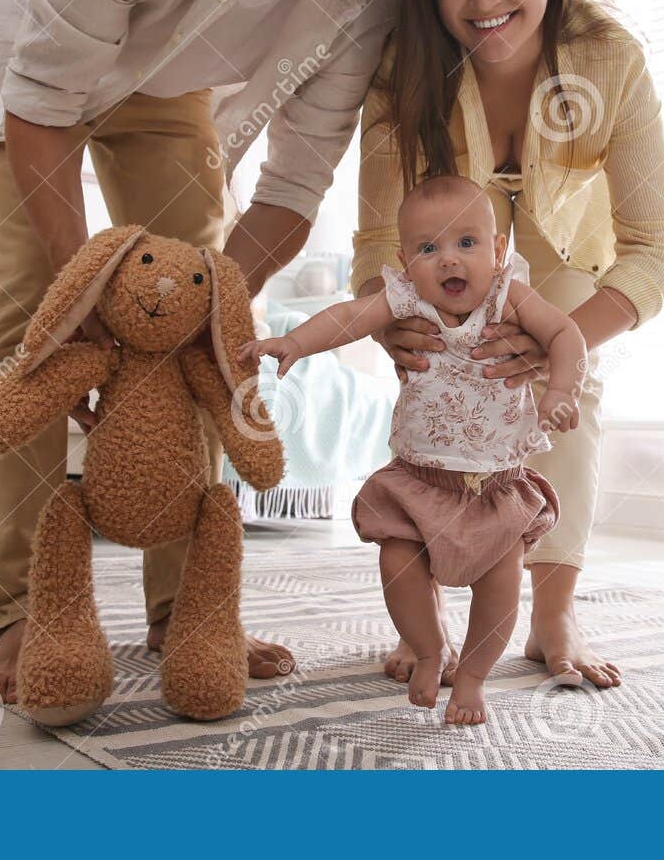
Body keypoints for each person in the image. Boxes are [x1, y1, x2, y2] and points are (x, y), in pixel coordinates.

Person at [0, 0, 456, 704]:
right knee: (30, 305)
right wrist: (90, 306)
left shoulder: (359, 4)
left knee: (197, 335)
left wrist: (208, 310)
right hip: (32, 68)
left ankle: (188, 613)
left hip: (170, 89)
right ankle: (24, 616)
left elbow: (294, 190)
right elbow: (47, 102)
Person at [350, 0, 664, 690]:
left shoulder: (611, 60)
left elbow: (655, 247)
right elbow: (377, 236)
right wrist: (395, 326)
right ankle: (422, 614)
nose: (483, 1)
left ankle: (551, 611)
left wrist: (558, 348)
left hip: (566, 240)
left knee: (566, 375)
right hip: (450, 238)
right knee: (442, 376)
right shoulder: (404, 70)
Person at [243, 174, 586, 723]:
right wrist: (295, 343)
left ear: (498, 251)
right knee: (397, 565)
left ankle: (472, 679)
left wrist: (561, 390)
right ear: (405, 261)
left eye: (466, 243)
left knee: (499, 592)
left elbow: (566, 333)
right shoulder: (405, 298)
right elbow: (347, 319)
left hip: (495, 487)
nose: (449, 261)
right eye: (429, 249)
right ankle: (428, 652)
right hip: (418, 483)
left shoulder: (509, 294)